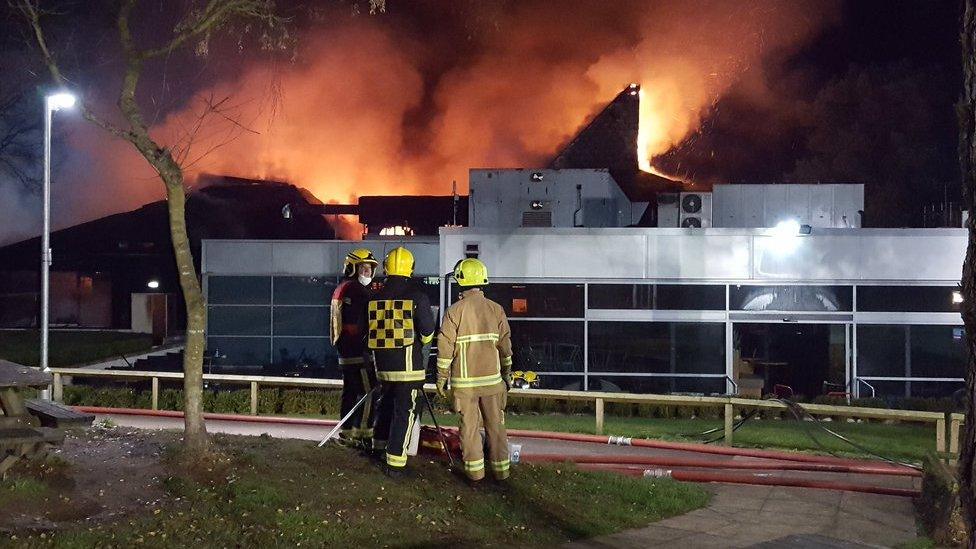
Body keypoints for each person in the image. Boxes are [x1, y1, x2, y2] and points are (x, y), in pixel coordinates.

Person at [436, 258, 513, 483]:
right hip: (493, 384)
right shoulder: (496, 310)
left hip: (465, 387)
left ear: (460, 280)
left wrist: (441, 379)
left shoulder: (454, 311)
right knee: (496, 428)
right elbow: (505, 347)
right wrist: (507, 375)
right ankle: (501, 472)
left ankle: (475, 474)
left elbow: (444, 349)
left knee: (469, 431)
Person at [366, 246, 435, 477]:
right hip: (408, 369)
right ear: (411, 269)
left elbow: (367, 334)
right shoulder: (417, 297)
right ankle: (396, 461)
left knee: (384, 406)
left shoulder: (374, 298)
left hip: (382, 369)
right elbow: (426, 333)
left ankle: (378, 446)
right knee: (404, 411)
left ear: (386, 269)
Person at [330, 248, 379, 447]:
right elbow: (363, 323)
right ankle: (363, 434)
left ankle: (347, 431)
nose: (367, 273)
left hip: (344, 352)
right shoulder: (358, 291)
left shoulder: (341, 288)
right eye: (364, 268)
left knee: (350, 392)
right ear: (352, 268)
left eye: (370, 269)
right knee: (370, 391)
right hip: (359, 352)